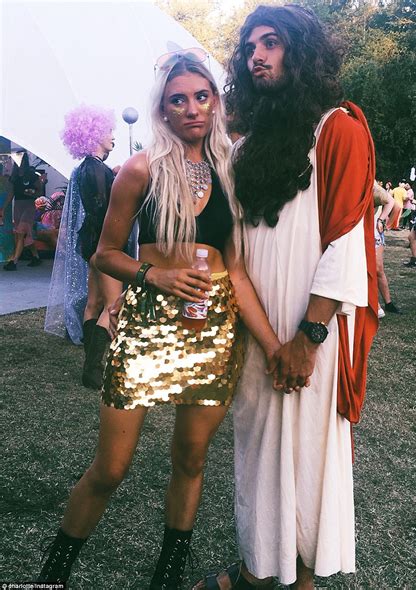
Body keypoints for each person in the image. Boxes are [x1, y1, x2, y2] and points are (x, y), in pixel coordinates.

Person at [37, 53, 282, 589]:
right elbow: (104, 254)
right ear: (163, 109)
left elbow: (239, 272)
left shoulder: (231, 173)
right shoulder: (141, 168)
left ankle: (166, 576)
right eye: (179, 99)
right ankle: (51, 576)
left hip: (212, 328)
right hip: (147, 326)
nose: (192, 108)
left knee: (191, 459)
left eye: (202, 96)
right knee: (111, 468)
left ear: (215, 103)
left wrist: (273, 345)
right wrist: (155, 276)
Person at [195, 6, 378, 587]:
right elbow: (237, 258)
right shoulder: (242, 147)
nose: (257, 56)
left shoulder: (337, 129)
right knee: (258, 452)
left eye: (271, 43)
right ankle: (257, 568)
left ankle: (298, 578)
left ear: (301, 53)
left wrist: (307, 338)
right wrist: (271, 342)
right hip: (260, 333)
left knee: (308, 455)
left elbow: (346, 241)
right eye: (251, 47)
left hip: (313, 333)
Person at [44, 105, 123, 389]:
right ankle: (93, 368)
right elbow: (103, 210)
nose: (113, 136)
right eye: (108, 131)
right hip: (104, 244)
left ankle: (91, 363)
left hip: (90, 243)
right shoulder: (97, 169)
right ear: (94, 134)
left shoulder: (85, 168)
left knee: (94, 302)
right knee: (113, 305)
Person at [2, 153, 43, 270]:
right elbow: (11, 194)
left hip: (29, 206)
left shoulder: (32, 175)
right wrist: (3, 209)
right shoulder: (14, 177)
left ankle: (14, 261)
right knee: (24, 233)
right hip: (18, 206)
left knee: (20, 232)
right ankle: (35, 257)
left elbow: (40, 192)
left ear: (25, 161)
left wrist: (32, 193)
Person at [373, 183, 401, 317]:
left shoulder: (373, 186)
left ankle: (382, 303)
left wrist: (382, 221)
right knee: (377, 270)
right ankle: (384, 303)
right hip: (373, 233)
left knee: (376, 269)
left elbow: (395, 205)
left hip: (372, 232)